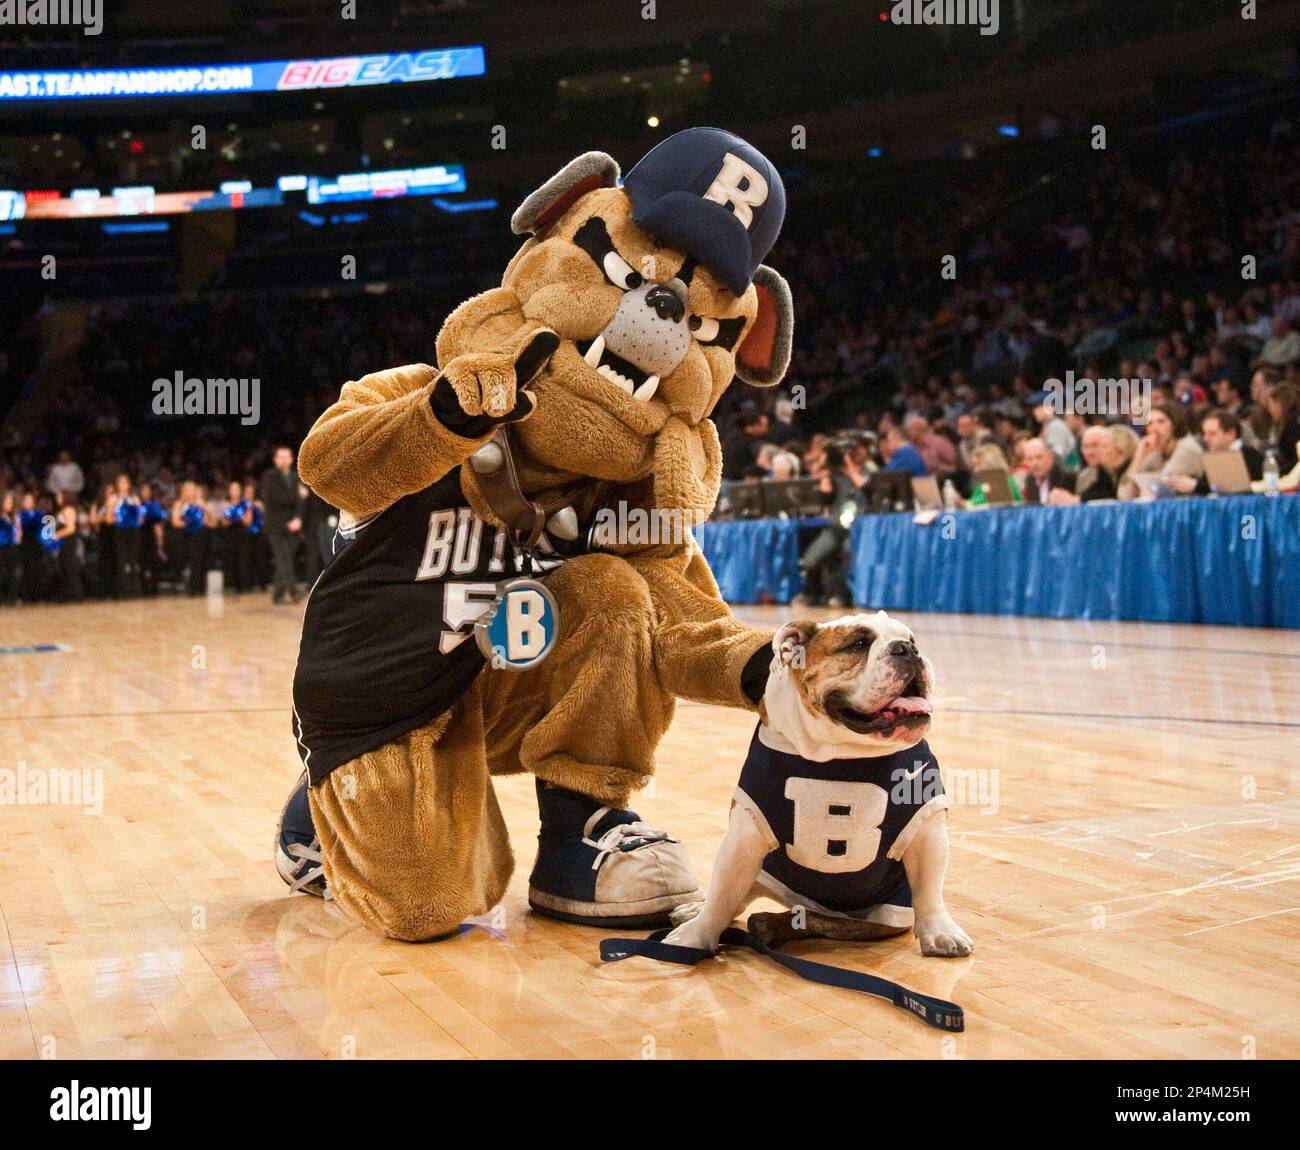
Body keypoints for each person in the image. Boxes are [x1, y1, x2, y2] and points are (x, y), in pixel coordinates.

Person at [1119, 401, 1204, 499]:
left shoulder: (1187, 447)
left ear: (1174, 424)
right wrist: (1139, 455)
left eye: (1161, 422)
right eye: (1150, 424)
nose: (1154, 428)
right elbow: (1125, 494)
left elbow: (1162, 486)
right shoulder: (1154, 451)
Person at [260, 445, 305, 604]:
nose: (284, 459)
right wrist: (296, 496)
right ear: (275, 459)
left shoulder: (294, 476)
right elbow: (275, 498)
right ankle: (292, 591)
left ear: (292, 459)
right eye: (281, 456)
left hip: (292, 525)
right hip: (275, 525)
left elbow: (300, 502)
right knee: (284, 558)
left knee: (284, 559)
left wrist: (298, 518)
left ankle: (277, 594)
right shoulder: (269, 476)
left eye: (287, 456)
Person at [1197, 409, 1264, 494]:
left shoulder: (1250, 456)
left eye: (1212, 434)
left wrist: (1196, 486)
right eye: (1204, 434)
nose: (1205, 439)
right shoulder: (1214, 457)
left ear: (1231, 434)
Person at [172, 481, 211, 596]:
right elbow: (175, 521)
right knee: (193, 561)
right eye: (188, 490)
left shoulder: (200, 503)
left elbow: (210, 520)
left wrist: (204, 507)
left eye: (193, 489)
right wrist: (190, 522)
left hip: (201, 535)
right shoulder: (179, 504)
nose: (190, 492)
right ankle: (192, 589)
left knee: (201, 561)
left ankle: (201, 588)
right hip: (186, 536)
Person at [110, 473, 143, 598]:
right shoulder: (113, 499)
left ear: (129, 485)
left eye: (125, 482)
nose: (123, 485)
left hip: (133, 532)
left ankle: (135, 589)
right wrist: (119, 517)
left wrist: (134, 515)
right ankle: (122, 591)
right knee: (121, 560)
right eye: (120, 483)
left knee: (133, 560)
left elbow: (141, 518)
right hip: (120, 532)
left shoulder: (134, 499)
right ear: (117, 485)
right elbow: (109, 518)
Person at [965, 443, 1024, 507]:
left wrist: (966, 504)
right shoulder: (981, 485)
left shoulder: (1006, 481)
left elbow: (991, 499)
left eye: (978, 465)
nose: (975, 470)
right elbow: (973, 502)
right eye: (974, 466)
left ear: (990, 463)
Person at [1020, 438, 1076, 504]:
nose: (1034, 463)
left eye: (1039, 457)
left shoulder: (1065, 477)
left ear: (1050, 458)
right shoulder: (1029, 480)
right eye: (1030, 459)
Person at [221, 480, 254, 593]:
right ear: (229, 491)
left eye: (237, 489)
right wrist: (231, 515)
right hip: (230, 534)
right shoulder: (225, 504)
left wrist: (237, 515)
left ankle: (244, 586)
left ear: (240, 491)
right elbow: (224, 523)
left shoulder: (246, 504)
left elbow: (248, 521)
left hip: (243, 534)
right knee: (231, 559)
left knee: (243, 559)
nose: (234, 491)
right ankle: (233, 585)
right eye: (232, 489)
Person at [1261, 382, 1300, 474]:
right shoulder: (1293, 420)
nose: (1269, 410)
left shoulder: (1291, 425)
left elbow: (1293, 459)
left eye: (1270, 405)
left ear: (1279, 403)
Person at [53, 490, 83, 602]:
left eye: (59, 496)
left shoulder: (68, 509)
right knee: (64, 566)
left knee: (70, 567)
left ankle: (76, 594)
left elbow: (71, 528)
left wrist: (57, 534)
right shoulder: (62, 510)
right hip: (63, 542)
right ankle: (67, 593)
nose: (57, 499)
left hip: (69, 541)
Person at [138, 482, 167, 596]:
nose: (145, 493)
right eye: (143, 490)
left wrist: (160, 542)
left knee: (154, 562)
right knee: (142, 563)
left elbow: (158, 525)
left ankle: (155, 588)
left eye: (147, 491)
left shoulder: (154, 506)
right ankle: (143, 588)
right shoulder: (136, 505)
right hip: (140, 536)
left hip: (151, 536)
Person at [18, 492, 47, 603]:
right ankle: (27, 596)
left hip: (36, 545)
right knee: (27, 569)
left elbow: (44, 528)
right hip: (25, 545)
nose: (29, 503)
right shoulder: (20, 515)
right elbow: (25, 526)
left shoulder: (39, 514)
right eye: (27, 501)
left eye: (31, 501)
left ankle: (37, 595)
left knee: (37, 569)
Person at [0, 492, 18, 605]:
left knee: (11, 572)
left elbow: (17, 532)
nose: (9, 505)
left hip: (11, 547)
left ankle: (12, 597)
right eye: (7, 502)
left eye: (11, 503)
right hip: (1, 546)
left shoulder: (14, 517)